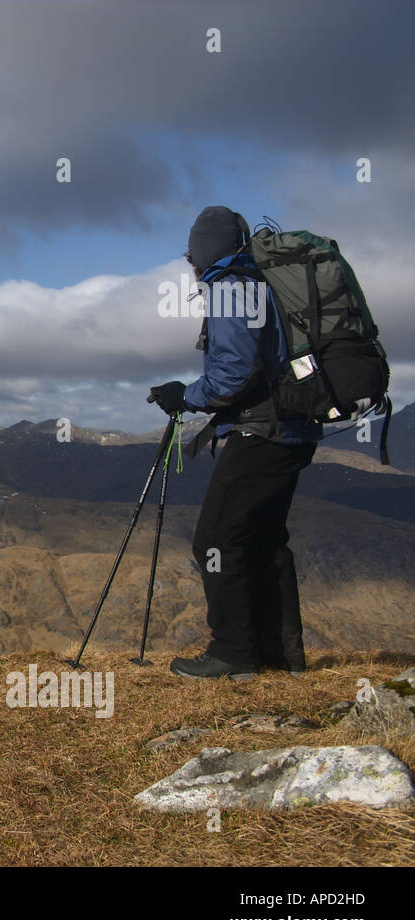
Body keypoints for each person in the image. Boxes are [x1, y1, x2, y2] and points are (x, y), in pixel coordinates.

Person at [148, 206, 322, 680]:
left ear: (204, 253)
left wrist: (186, 394)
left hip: (261, 431)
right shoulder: (264, 281)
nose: (191, 267)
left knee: (216, 540)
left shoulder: (230, 288)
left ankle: (233, 653)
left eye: (191, 257)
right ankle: (281, 655)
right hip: (293, 427)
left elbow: (234, 372)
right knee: (264, 539)